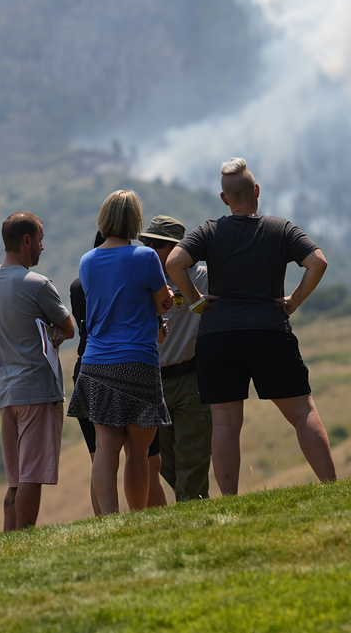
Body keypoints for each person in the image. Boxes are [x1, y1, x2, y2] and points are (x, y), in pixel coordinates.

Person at [165, 157, 336, 496]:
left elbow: (174, 262)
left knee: (226, 423)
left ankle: (230, 499)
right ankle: (332, 487)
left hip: (218, 335)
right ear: (256, 191)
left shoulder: (209, 231)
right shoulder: (280, 229)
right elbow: (317, 262)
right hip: (269, 330)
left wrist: (198, 301)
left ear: (224, 198)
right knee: (302, 411)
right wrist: (293, 302)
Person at [67, 191, 173, 515]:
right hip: (138, 360)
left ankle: (108, 521)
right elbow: (161, 302)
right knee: (138, 452)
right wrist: (166, 297)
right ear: (136, 221)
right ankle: (137, 518)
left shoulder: (87, 261)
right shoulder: (145, 257)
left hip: (96, 362)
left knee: (105, 447)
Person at [0, 212, 75, 531]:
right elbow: (69, 328)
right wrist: (53, 335)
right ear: (26, 241)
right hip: (36, 390)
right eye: (40, 240)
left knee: (16, 475)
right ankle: (25, 536)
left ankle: (10, 535)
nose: (42, 248)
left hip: (5, 394)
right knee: (32, 473)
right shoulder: (37, 284)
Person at [138, 215, 212, 502]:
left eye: (158, 244)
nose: (150, 249)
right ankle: (189, 505)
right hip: (153, 382)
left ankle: (190, 512)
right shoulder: (143, 279)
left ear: (177, 248)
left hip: (190, 379)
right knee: (162, 461)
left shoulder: (201, 276)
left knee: (192, 458)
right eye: (146, 243)